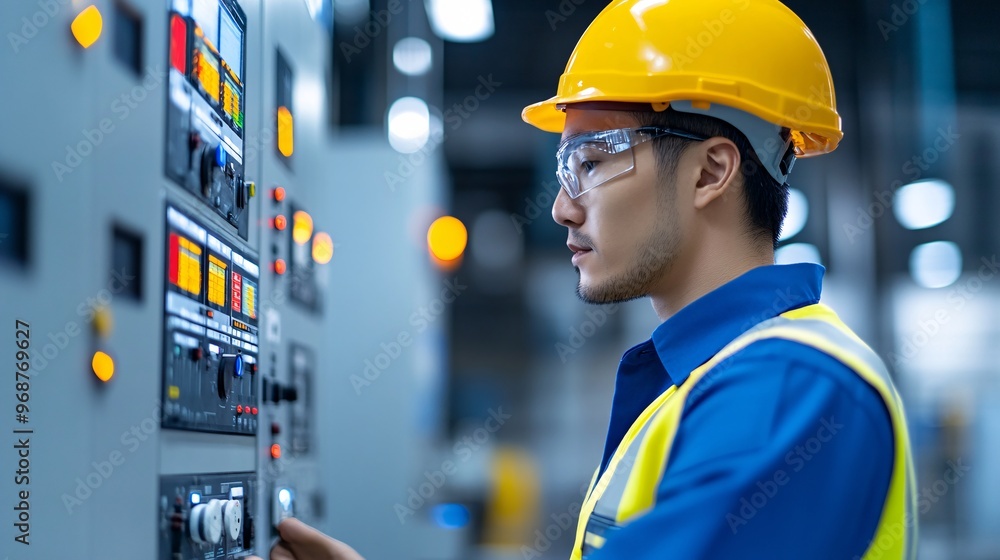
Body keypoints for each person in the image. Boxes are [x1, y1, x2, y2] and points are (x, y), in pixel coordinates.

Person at [252, 0, 917, 558]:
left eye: (592, 163)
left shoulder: (790, 385)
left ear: (711, 173)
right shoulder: (704, 380)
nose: (561, 206)